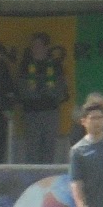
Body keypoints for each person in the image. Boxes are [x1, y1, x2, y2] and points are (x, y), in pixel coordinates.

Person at [16, 32, 67, 163]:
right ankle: (32, 176)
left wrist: (45, 94)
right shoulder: (25, 65)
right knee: (32, 148)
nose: (35, 48)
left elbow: (61, 89)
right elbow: (21, 89)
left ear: (46, 47)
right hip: (31, 113)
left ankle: (47, 175)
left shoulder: (55, 65)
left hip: (51, 112)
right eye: (33, 45)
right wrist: (36, 95)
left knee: (49, 147)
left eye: (38, 45)